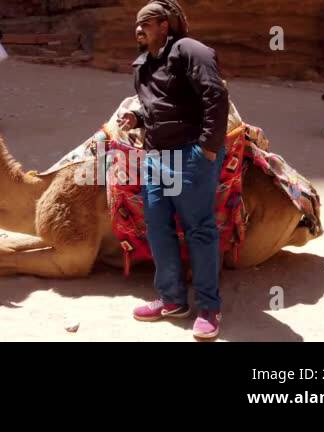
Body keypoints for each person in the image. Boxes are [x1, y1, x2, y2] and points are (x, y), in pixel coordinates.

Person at [118, 0, 229, 339]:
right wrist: (137, 117)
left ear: (164, 25)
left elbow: (215, 94)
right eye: (136, 24)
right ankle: (171, 299)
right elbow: (158, 105)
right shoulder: (143, 65)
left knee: (198, 229)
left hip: (190, 154)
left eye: (146, 23)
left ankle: (209, 307)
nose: (139, 29)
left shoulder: (190, 50)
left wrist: (207, 148)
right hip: (155, 156)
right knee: (158, 227)